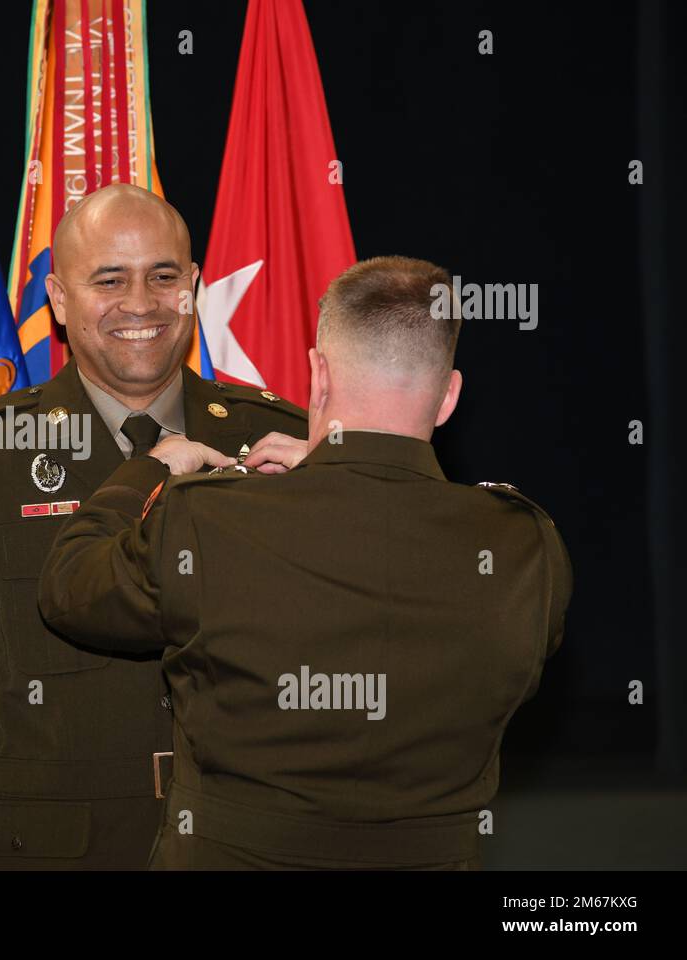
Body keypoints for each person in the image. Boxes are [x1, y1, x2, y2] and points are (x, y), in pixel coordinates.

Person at [38, 255, 572, 869]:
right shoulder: (525, 549)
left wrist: (149, 468)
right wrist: (340, 479)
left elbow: (69, 590)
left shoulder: (210, 521)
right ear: (449, 396)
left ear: (318, 376)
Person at [0, 183, 308, 869]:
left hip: (248, 846)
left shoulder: (279, 443)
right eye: (109, 280)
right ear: (57, 298)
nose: (140, 304)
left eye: (163, 276)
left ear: (193, 287)